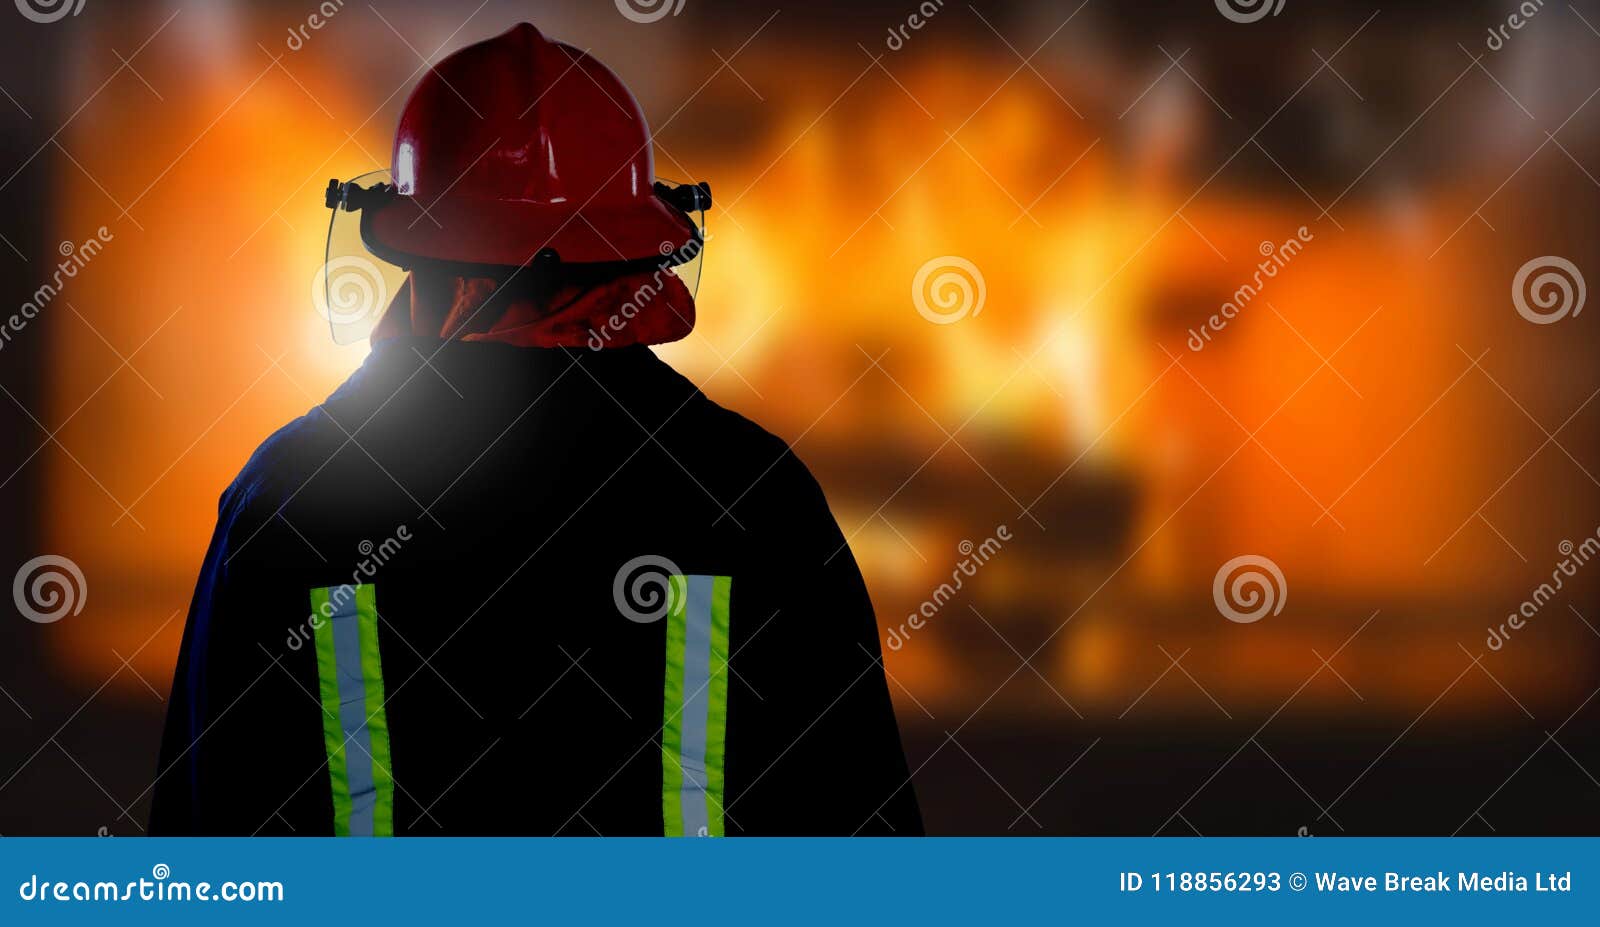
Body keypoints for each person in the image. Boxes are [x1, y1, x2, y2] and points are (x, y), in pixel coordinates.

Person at [151, 22, 921, 836]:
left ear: (413, 247)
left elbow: (202, 850)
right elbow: (866, 852)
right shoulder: (755, 498)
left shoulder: (290, 499)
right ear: (642, 250)